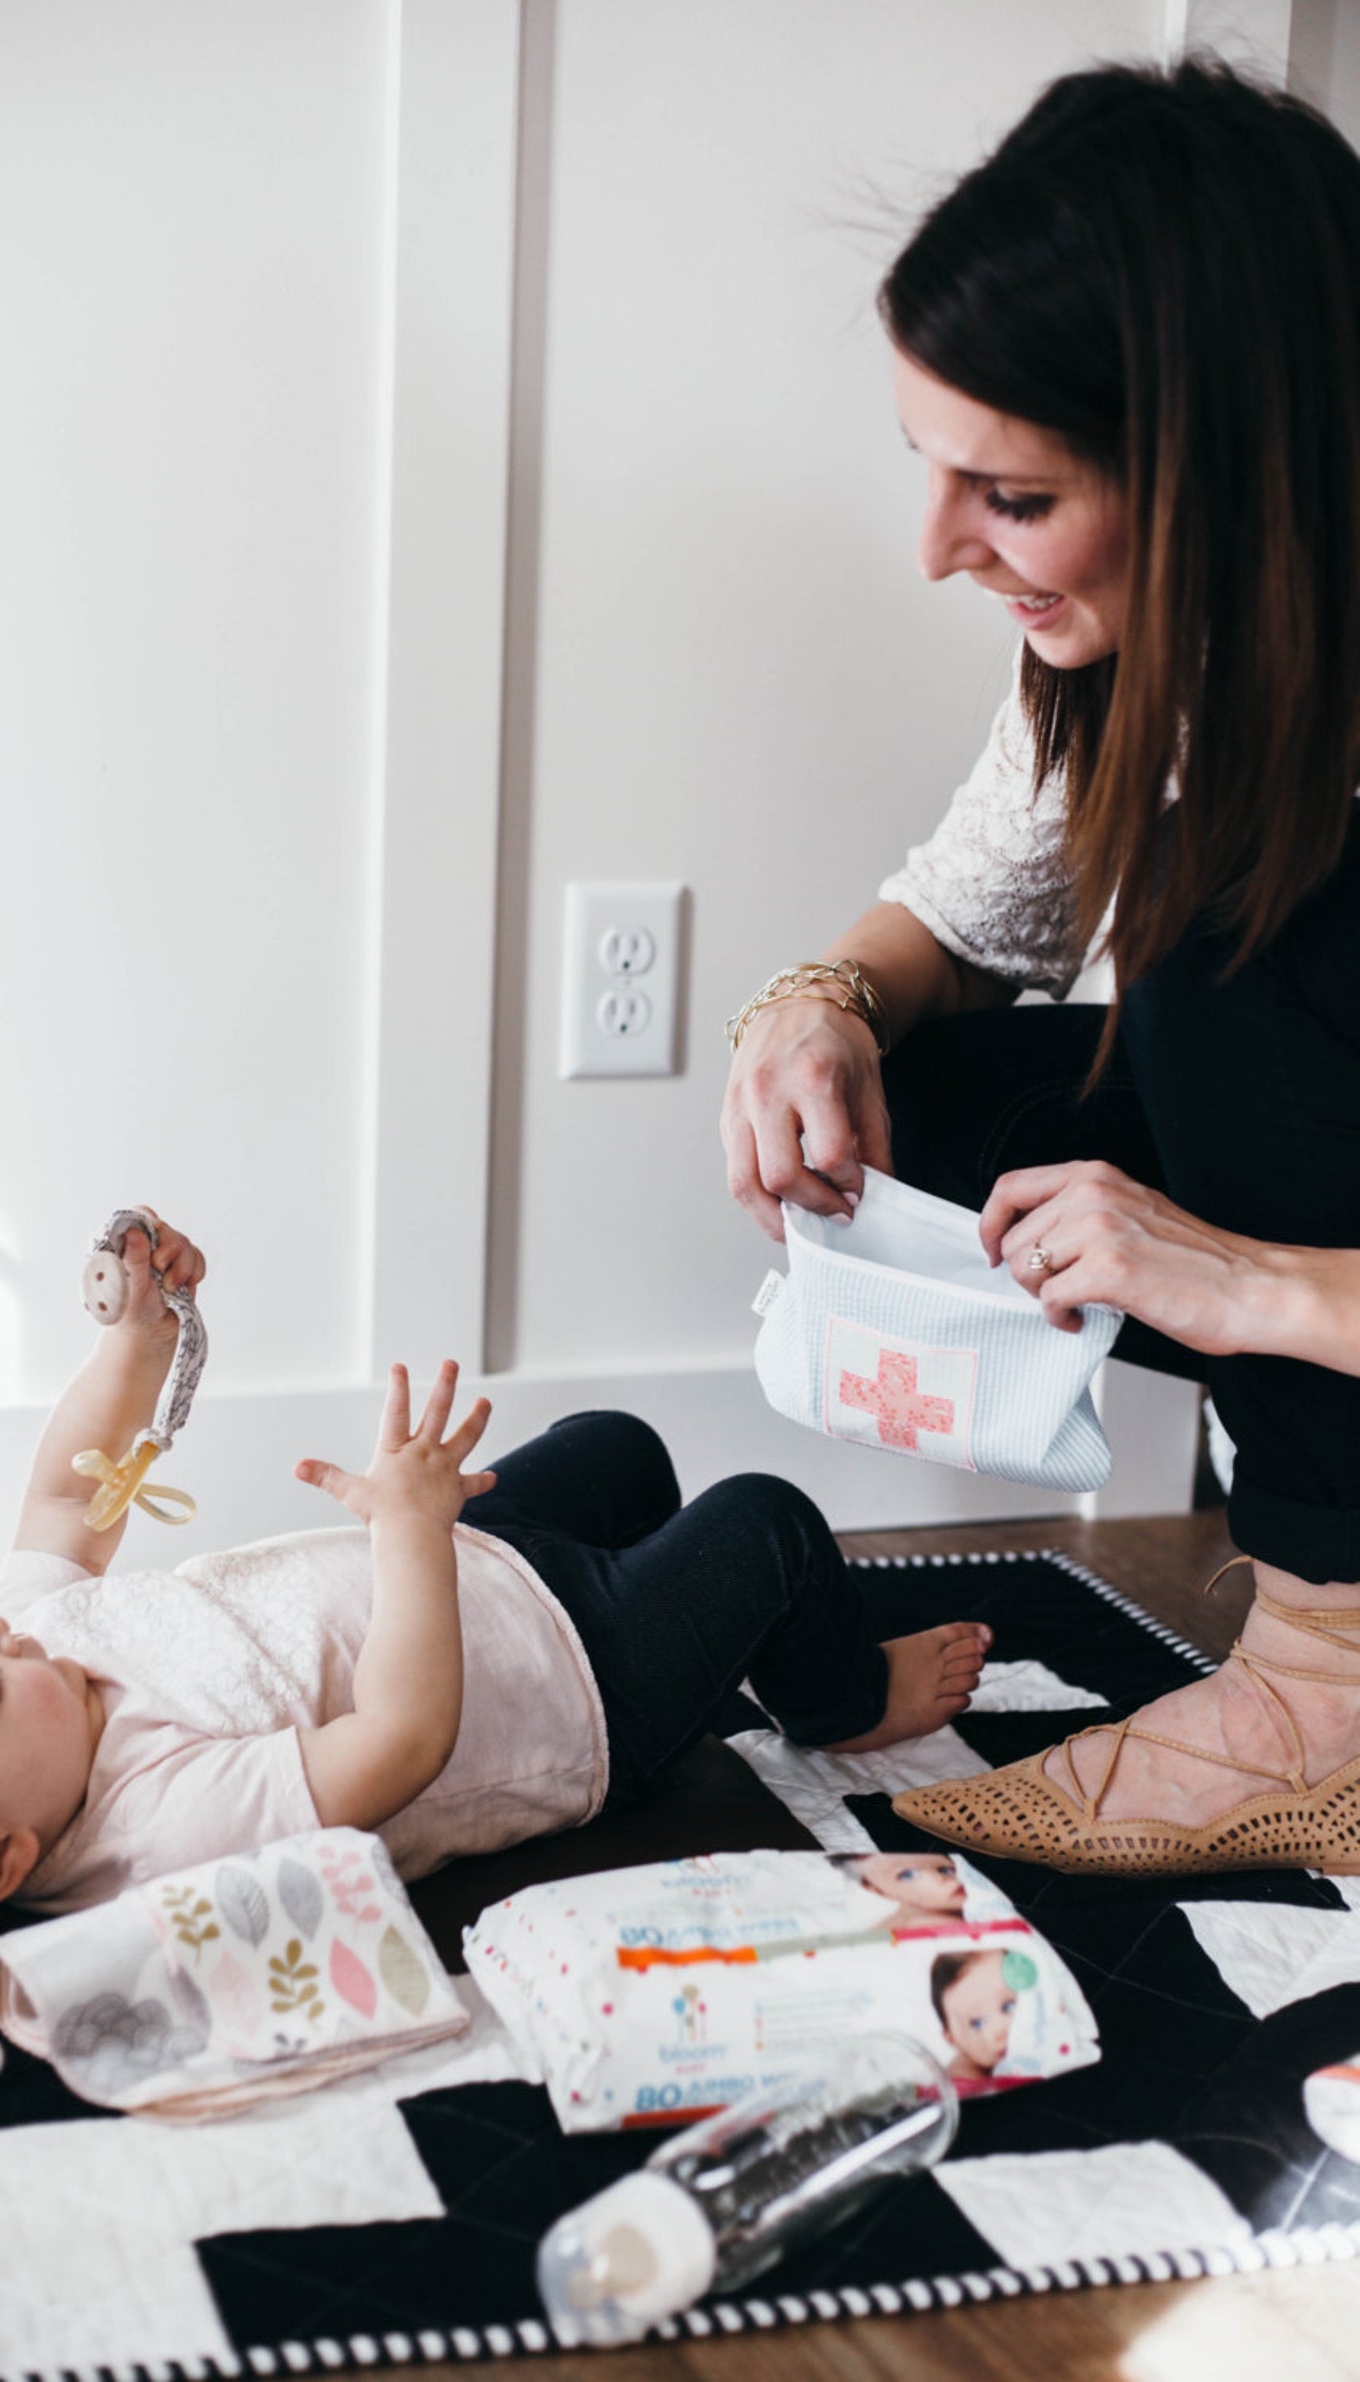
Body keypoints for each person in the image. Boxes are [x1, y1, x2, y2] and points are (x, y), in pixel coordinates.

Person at [721, 58, 1360, 1877]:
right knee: (914, 1103)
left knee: (1224, 964)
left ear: (1218, 471)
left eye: (1005, 494)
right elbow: (963, 920)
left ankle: (1327, 1676)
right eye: (929, 469)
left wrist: (1255, 1285)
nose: (935, 549)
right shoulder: (1169, 638)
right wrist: (812, 1003)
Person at [0, 1217, 990, 1965]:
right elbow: (402, 1741)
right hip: (571, 1696)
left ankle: (672, 1591)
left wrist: (136, 1343)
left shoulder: (31, 1643)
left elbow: (61, 1503)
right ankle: (834, 1699)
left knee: (616, 1444)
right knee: (763, 1522)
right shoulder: (155, 1827)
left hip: (470, 1567)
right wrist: (410, 1527)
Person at [930, 1948, 1017, 2085]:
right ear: (952, 2039)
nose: (1001, 2030)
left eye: (1008, 2006)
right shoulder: (962, 2086)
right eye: (978, 2023)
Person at [837, 1849, 969, 1933]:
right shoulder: (929, 1924)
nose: (940, 1879)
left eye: (946, 1870)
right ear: (879, 1891)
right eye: (907, 1876)